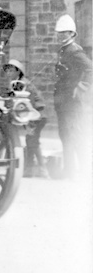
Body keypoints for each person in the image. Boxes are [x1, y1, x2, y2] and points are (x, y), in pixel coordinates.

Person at [53, 14, 92, 180]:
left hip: (72, 102)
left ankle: (85, 172)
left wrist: (81, 87)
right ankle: (68, 171)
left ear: (72, 34)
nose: (62, 35)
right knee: (65, 135)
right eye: (60, 32)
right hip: (63, 100)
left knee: (75, 136)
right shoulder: (64, 50)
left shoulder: (75, 51)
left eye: (66, 32)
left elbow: (90, 69)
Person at [4, 59, 49, 178]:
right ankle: (34, 169)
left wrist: (29, 122)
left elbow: (30, 104)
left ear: (18, 71)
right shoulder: (16, 83)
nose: (8, 72)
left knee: (32, 141)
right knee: (33, 142)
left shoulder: (24, 84)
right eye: (7, 69)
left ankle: (39, 170)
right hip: (32, 114)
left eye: (11, 70)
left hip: (37, 114)